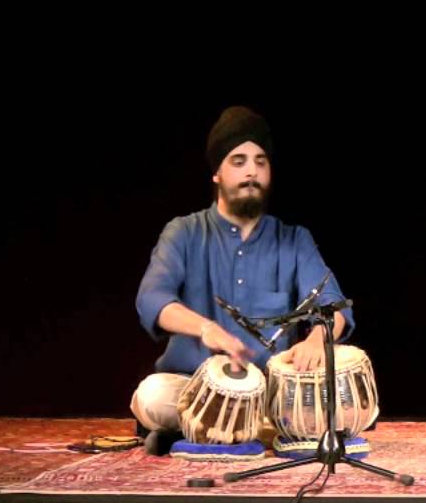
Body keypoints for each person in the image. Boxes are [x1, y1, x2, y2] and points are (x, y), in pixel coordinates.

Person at [131, 106, 354, 452]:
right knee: (152, 396)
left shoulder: (294, 241)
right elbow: (152, 300)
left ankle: (210, 433)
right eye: (239, 161)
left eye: (260, 161)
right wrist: (206, 328)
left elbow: (336, 309)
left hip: (271, 395)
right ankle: (249, 430)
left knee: (333, 400)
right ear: (217, 172)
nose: (252, 171)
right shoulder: (184, 233)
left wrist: (316, 342)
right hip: (195, 388)